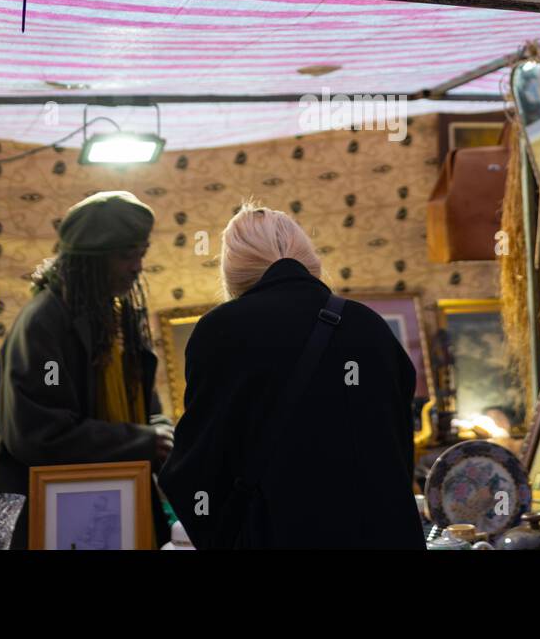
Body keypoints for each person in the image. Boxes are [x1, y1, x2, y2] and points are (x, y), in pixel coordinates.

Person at [160, 203, 424, 549]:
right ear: (309, 258)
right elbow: (398, 447)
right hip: (383, 534)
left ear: (232, 271)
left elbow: (202, 457)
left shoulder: (222, 330)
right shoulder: (368, 325)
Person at [0, 191, 174, 548]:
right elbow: (41, 435)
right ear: (91, 261)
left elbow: (145, 403)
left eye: (141, 254)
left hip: (117, 499)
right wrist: (141, 440)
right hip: (60, 517)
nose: (137, 266)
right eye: (125, 256)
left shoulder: (120, 315)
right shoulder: (43, 322)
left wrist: (158, 429)